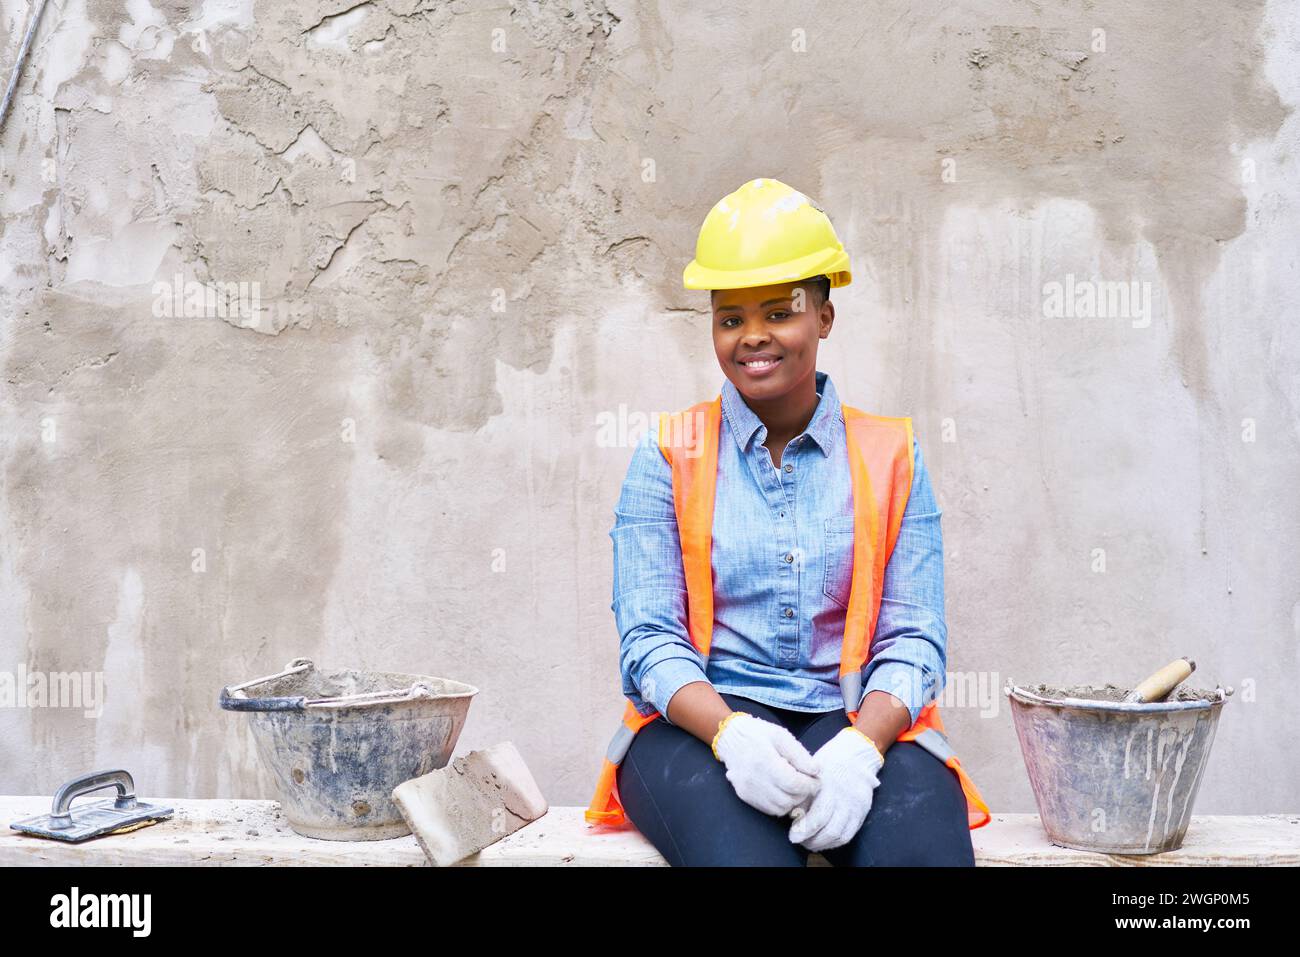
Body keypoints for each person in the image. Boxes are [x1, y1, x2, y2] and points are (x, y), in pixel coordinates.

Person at [586, 177, 990, 866]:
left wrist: (865, 747)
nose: (753, 338)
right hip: (696, 726)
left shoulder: (892, 453)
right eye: (730, 317)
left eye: (780, 311)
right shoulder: (667, 452)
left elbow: (915, 634)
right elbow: (649, 637)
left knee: (921, 854)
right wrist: (730, 734)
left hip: (854, 716)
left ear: (824, 316)